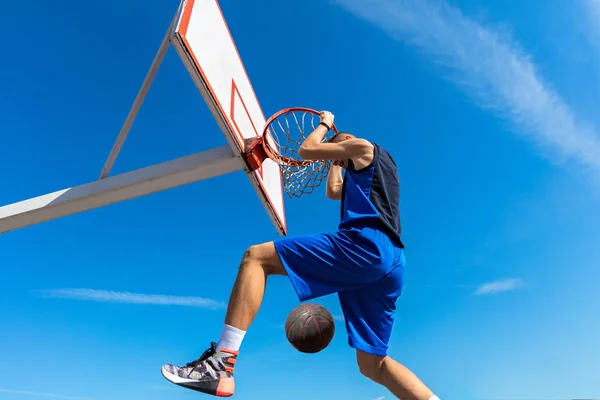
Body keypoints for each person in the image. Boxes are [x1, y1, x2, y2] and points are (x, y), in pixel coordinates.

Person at [161, 111, 440, 400]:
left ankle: (221, 364)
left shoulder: (363, 147)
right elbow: (333, 191)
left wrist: (324, 125)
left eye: (339, 151)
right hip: (391, 263)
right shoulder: (375, 178)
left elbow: (306, 149)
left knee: (256, 257)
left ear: (347, 142)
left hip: (367, 244)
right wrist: (336, 162)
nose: (339, 159)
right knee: (373, 366)